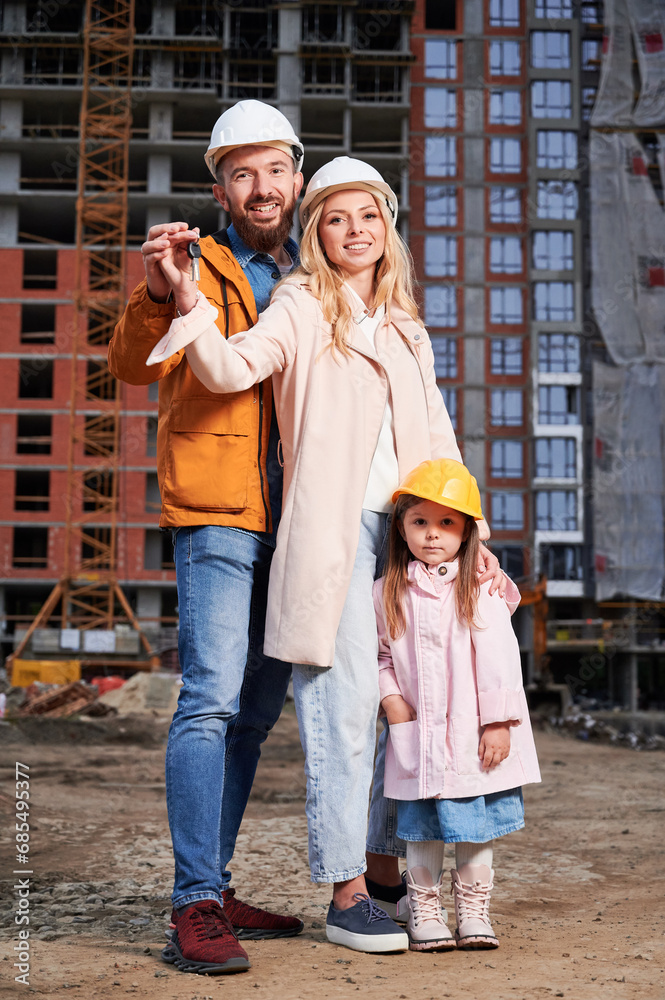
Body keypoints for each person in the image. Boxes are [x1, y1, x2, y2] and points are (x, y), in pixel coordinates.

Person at [146, 156, 515, 953]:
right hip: (339, 535)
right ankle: (347, 894)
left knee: (410, 709)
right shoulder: (300, 304)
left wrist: (473, 538)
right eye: (337, 219)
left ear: (389, 229)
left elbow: (440, 443)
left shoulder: (407, 324)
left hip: (415, 539)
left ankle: (388, 875)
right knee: (344, 712)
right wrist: (189, 302)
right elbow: (228, 367)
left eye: (369, 217)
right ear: (316, 231)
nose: (355, 232)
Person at [108, 99, 307, 976]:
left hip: (301, 515)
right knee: (210, 701)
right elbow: (126, 363)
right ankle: (192, 903)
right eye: (241, 172)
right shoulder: (195, 261)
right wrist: (158, 290)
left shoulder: (322, 269)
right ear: (218, 185)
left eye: (274, 170)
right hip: (220, 508)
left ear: (296, 177)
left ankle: (215, 885)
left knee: (256, 716)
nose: (260, 187)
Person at [374, 458, 541, 951]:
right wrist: (391, 699)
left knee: (475, 821)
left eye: (447, 523)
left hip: (474, 734)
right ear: (401, 527)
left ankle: (473, 910)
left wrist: (499, 722)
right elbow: (379, 654)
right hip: (418, 731)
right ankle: (424, 910)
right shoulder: (385, 592)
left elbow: (500, 658)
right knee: (420, 822)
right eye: (420, 522)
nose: (432, 535)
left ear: (467, 531)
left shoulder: (479, 588)